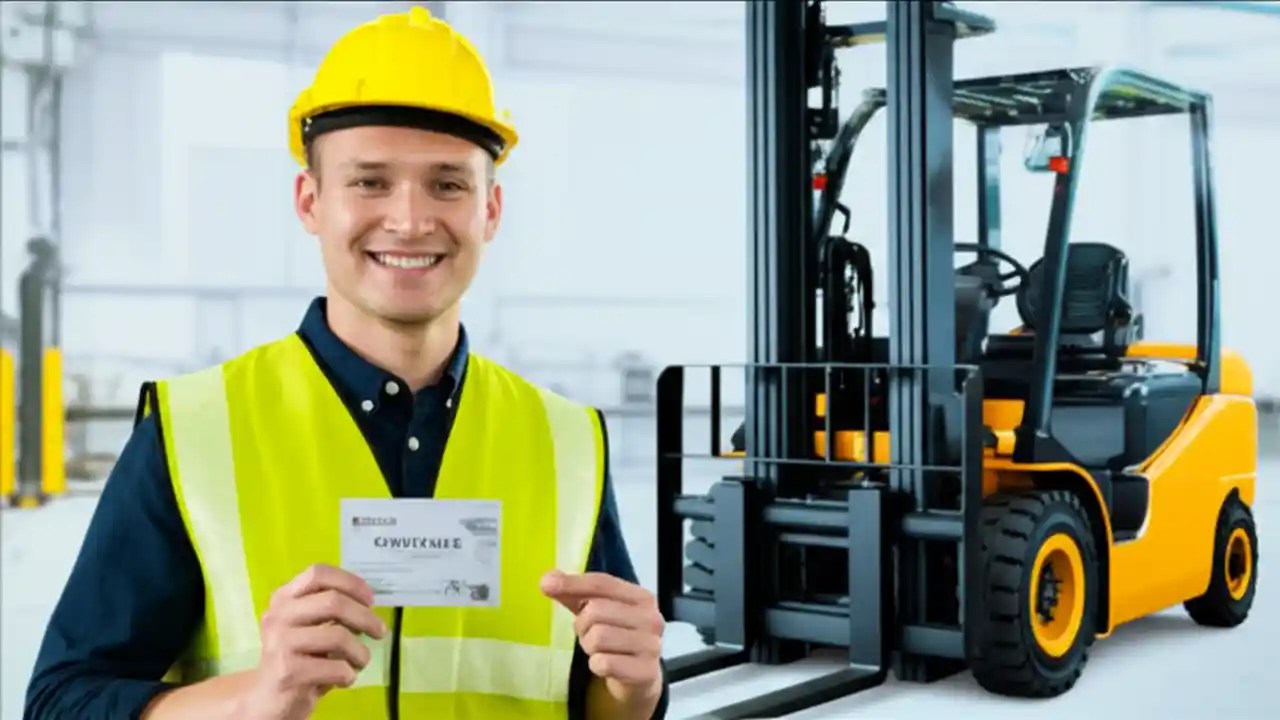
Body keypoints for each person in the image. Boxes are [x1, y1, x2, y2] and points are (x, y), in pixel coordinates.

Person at [23, 6, 668, 720]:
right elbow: (63, 702)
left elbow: (595, 700)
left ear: (491, 211)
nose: (411, 219)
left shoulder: (567, 442)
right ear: (311, 200)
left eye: (448, 184)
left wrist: (634, 692)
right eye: (370, 181)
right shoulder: (195, 431)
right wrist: (252, 699)